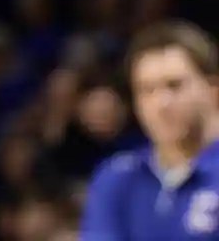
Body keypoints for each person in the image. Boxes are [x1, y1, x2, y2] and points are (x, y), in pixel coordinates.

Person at [81, 20, 219, 239]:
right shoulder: (116, 179)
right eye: (147, 90)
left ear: (213, 91)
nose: (161, 103)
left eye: (174, 85)